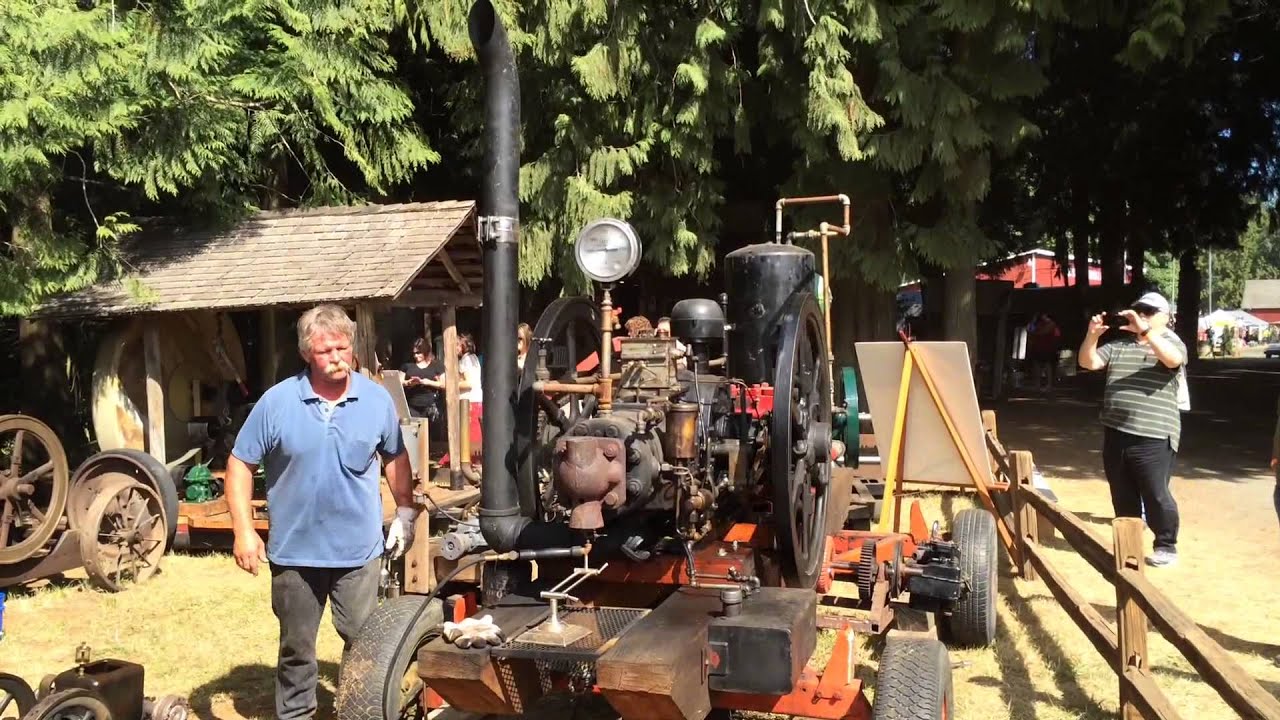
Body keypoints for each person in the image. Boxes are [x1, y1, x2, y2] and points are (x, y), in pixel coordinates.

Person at [224, 304, 416, 720]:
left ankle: (359, 710)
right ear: (307, 353)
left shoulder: (375, 400)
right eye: (326, 350)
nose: (337, 358)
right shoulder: (276, 403)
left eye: (343, 348)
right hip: (296, 554)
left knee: (363, 641)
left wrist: (405, 511)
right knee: (297, 650)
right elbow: (239, 464)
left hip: (359, 552)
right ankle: (297, 715)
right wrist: (243, 531)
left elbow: (395, 457)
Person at [1077, 291, 1186, 568]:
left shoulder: (1171, 342)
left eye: (1149, 312)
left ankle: (1166, 545)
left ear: (1166, 317)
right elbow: (1088, 362)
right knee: (1122, 492)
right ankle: (1129, 545)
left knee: (1155, 493)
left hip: (1154, 435)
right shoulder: (1119, 345)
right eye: (1139, 311)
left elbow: (1173, 360)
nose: (1142, 316)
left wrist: (1147, 332)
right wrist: (1092, 335)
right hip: (1116, 431)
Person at [401, 338, 444, 422]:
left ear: (425, 351)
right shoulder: (407, 365)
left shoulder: (436, 365)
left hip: (431, 407)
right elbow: (399, 382)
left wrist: (427, 382)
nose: (416, 356)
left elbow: (444, 384)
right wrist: (408, 383)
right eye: (414, 353)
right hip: (412, 407)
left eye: (418, 353)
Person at [1026, 312, 1062, 396]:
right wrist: (1033, 321)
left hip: (1048, 348)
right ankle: (1037, 385)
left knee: (1047, 366)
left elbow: (1043, 332)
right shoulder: (1037, 323)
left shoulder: (1051, 324)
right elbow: (1029, 329)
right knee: (1037, 365)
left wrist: (1035, 333)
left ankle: (1048, 385)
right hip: (1037, 347)